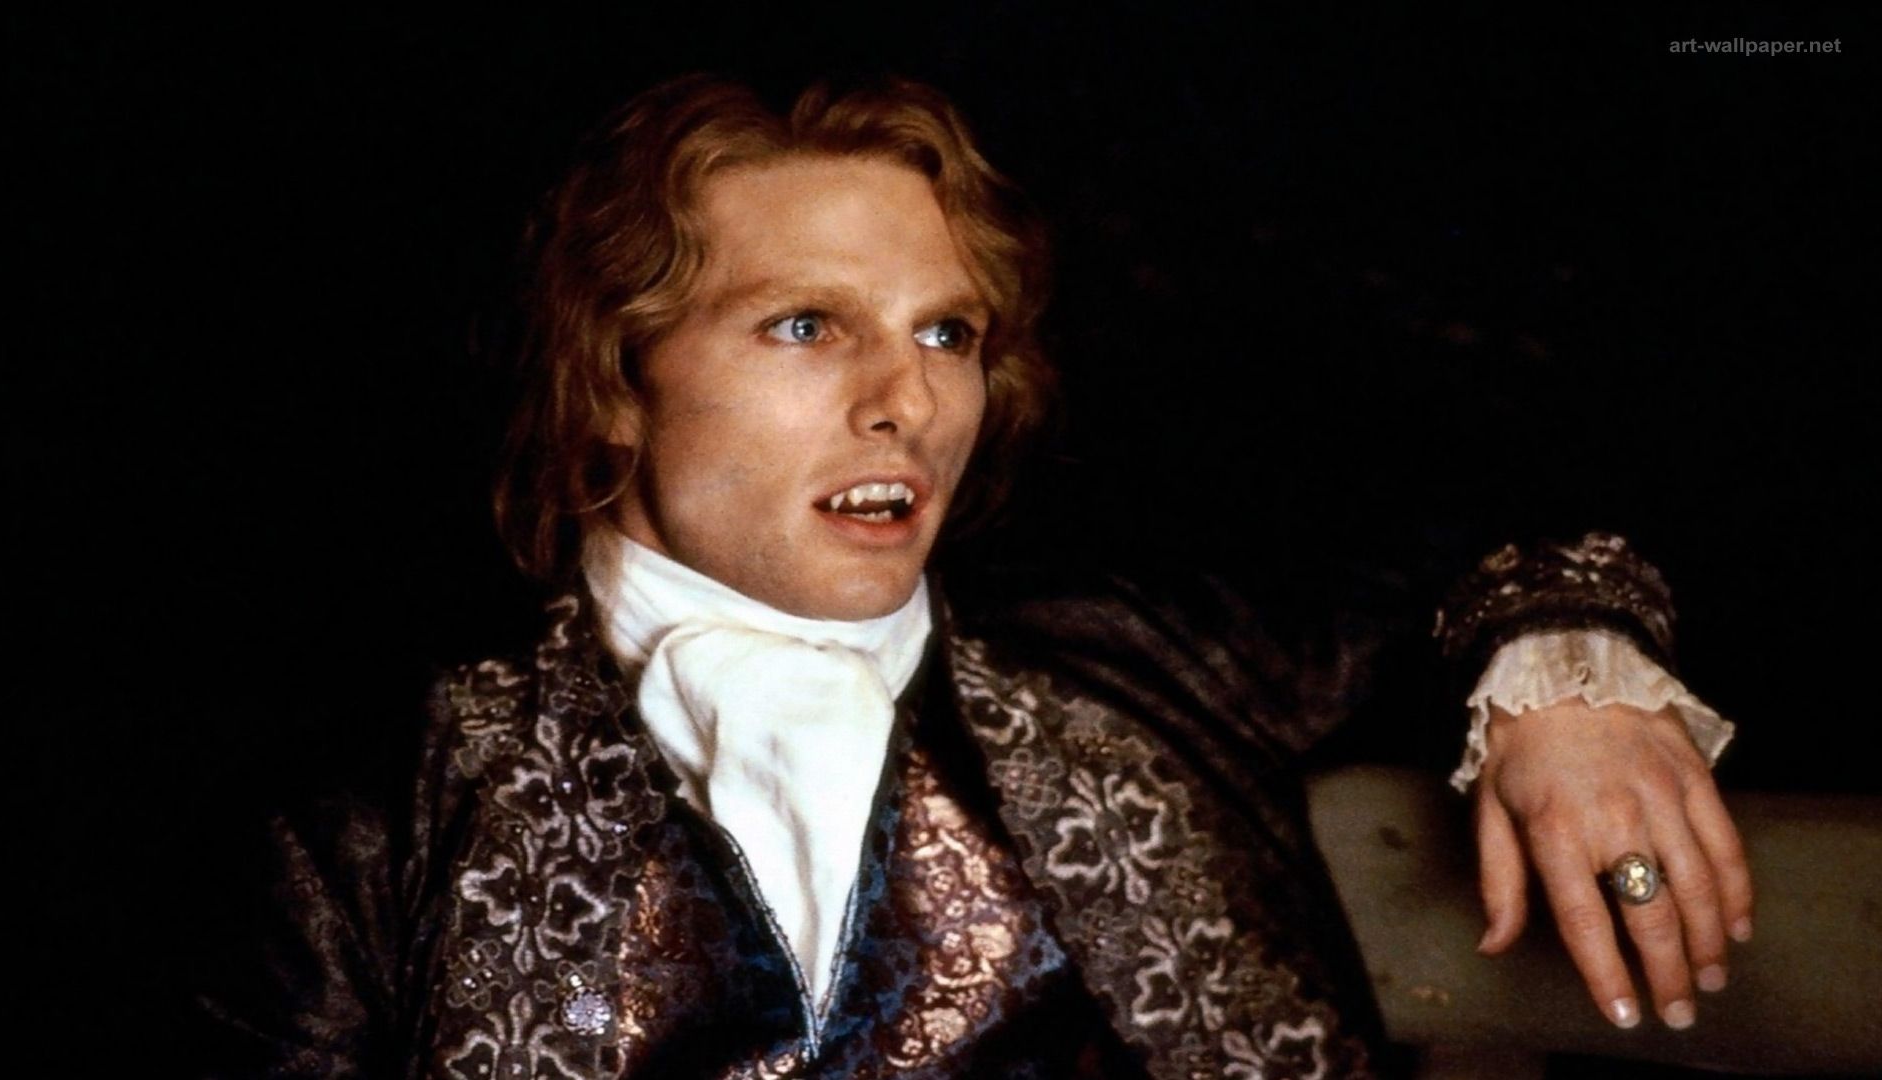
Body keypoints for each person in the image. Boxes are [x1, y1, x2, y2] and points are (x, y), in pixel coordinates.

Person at [195, 74, 1751, 1078]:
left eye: (947, 331)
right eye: (807, 326)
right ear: (613, 382)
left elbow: (1512, 510)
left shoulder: (1137, 666)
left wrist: (1564, 677)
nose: (911, 399)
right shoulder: (369, 819)